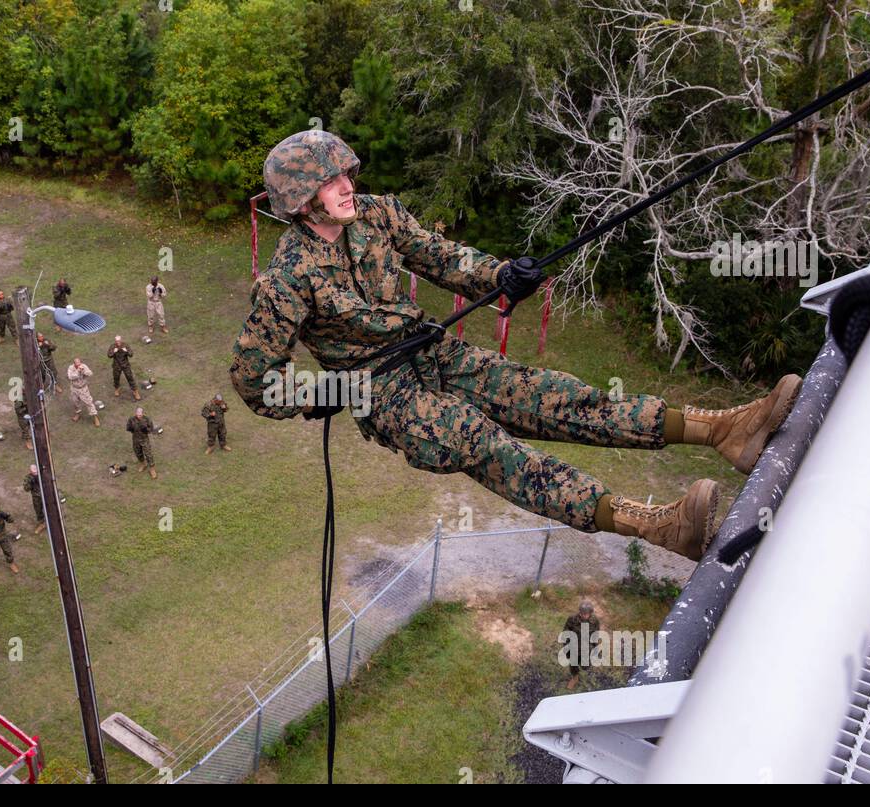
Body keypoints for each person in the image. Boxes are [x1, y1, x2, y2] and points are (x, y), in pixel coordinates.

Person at [231, 130, 802, 560]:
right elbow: (255, 380)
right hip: (380, 394)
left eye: (346, 175)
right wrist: (328, 392)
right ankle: (657, 526)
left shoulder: (377, 215)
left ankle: (723, 431)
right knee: (489, 445)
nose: (347, 187)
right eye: (331, 182)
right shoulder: (287, 278)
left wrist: (502, 275)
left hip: (430, 351)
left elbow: (440, 257)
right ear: (302, 199)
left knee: (555, 396)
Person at [66, 357, 100, 426]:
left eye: (79, 363)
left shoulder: (84, 366)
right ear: (74, 364)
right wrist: (78, 371)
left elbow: (90, 373)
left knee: (89, 402)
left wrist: (84, 371)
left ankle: (95, 417)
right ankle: (77, 414)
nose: (78, 364)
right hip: (74, 388)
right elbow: (70, 377)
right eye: (77, 363)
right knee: (75, 402)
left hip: (83, 388)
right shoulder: (71, 368)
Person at [126, 407, 157, 479]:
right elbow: (128, 427)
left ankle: (152, 469)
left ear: (142, 414)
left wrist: (146, 430)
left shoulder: (147, 419)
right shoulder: (131, 419)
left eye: (140, 415)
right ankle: (143, 464)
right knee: (138, 452)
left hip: (144, 439)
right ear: (135, 413)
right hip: (135, 439)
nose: (138, 416)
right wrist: (130, 428)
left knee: (148, 454)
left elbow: (151, 429)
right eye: (137, 414)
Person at [108, 335, 140, 399]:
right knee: (116, 378)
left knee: (130, 377)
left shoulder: (125, 345)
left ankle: (135, 392)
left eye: (119, 341)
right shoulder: (112, 346)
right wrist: (114, 352)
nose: (118, 342)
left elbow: (131, 354)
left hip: (125, 365)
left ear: (121, 340)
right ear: (115, 341)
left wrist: (126, 351)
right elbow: (109, 355)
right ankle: (116, 389)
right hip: (116, 365)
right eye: (117, 341)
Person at [23, 464, 46, 534]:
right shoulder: (28, 478)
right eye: (34, 473)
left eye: (36, 472)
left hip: (46, 494)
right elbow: (26, 489)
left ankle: (52, 520)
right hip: (36, 497)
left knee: (50, 508)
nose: (36, 474)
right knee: (38, 510)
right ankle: (42, 524)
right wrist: (30, 483)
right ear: (30, 471)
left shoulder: (42, 474)